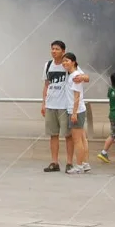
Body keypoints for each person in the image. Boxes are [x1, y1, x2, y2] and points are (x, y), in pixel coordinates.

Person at [40, 40, 74, 172]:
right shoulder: (48, 65)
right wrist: (44, 103)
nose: (54, 51)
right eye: (52, 49)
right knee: (53, 134)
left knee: (68, 135)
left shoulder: (67, 65)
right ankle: (54, 162)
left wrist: (82, 78)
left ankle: (69, 162)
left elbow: (80, 75)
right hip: (51, 105)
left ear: (63, 51)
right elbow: (46, 85)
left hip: (64, 106)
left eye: (57, 49)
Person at [62, 53, 90, 173]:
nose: (64, 63)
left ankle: (78, 166)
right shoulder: (73, 74)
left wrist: (74, 113)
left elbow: (76, 96)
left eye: (67, 60)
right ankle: (85, 163)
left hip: (76, 111)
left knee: (77, 140)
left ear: (73, 62)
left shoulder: (75, 76)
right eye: (63, 61)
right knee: (82, 139)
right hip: (77, 110)